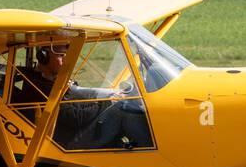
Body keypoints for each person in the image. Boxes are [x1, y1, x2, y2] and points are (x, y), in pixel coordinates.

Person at [11, 42, 153, 149]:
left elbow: (78, 93)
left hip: (71, 135)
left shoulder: (51, 80)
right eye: (61, 56)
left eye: (68, 56)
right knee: (121, 110)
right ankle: (150, 153)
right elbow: (76, 118)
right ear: (43, 57)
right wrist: (106, 102)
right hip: (64, 146)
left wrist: (112, 94)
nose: (67, 61)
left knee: (121, 104)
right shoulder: (39, 88)